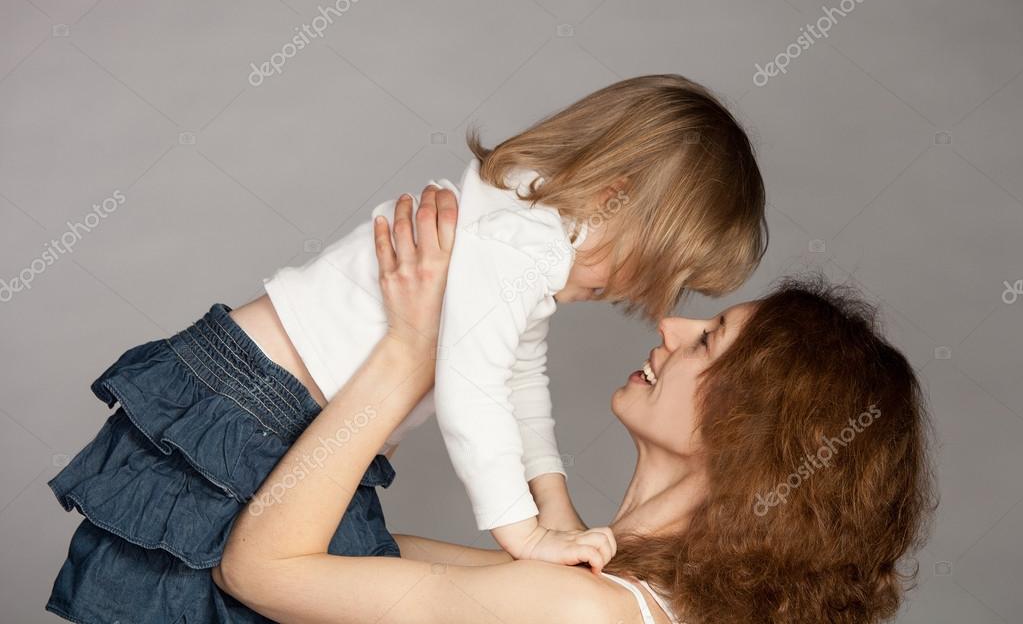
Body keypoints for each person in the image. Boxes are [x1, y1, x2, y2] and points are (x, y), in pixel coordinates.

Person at [47, 74, 767, 623]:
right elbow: (472, 390)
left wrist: (552, 505)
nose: (627, 302)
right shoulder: (521, 246)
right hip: (251, 409)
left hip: (284, 413)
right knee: (168, 597)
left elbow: (518, 377)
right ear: (616, 198)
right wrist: (521, 533)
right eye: (637, 275)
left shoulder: (524, 230)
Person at [214, 190, 934, 624]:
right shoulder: (601, 593)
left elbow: (259, 570)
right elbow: (353, 555)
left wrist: (409, 352)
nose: (673, 326)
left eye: (710, 340)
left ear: (754, 428)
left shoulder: (581, 611)